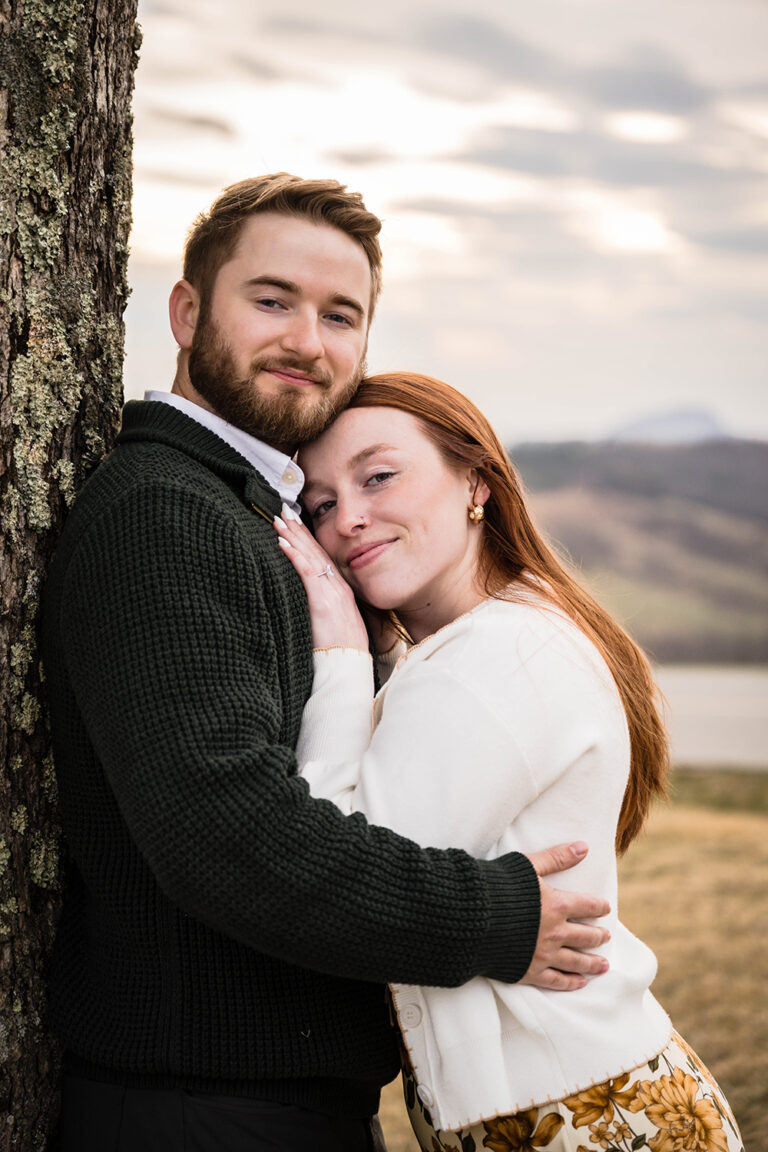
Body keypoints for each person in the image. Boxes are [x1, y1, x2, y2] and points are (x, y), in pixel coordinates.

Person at [40, 175, 612, 1152]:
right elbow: (231, 837)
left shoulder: (251, 517)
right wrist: (494, 917)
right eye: (271, 300)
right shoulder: (166, 516)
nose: (307, 339)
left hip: (266, 1105)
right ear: (186, 313)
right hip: (199, 1113)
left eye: (339, 314)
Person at [273, 370, 744, 1152]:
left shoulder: (499, 655)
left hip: (584, 1115)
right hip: (574, 1099)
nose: (348, 519)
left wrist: (341, 653)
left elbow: (341, 869)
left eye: (379, 476)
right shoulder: (494, 637)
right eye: (320, 505)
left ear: (474, 482)